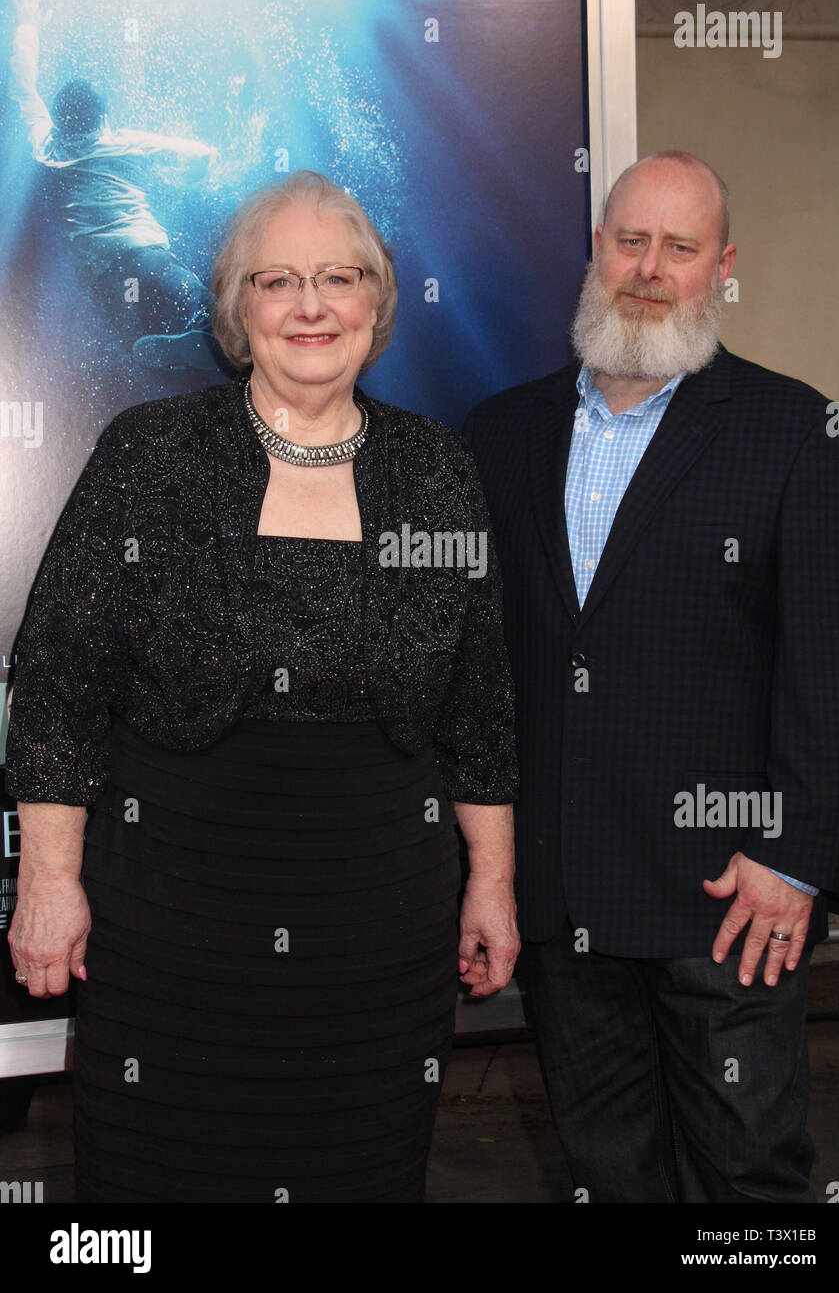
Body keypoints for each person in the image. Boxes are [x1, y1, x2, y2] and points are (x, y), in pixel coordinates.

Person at [4, 169, 520, 1203]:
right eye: (276, 280)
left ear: (377, 301)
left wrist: (492, 882)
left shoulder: (437, 472)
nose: (310, 305)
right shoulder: (149, 458)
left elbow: (479, 707)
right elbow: (58, 681)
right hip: (173, 922)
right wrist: (50, 884)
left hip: (376, 933)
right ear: (237, 308)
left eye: (338, 278)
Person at [464, 150, 839, 1203]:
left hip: (727, 902)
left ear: (720, 266)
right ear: (595, 249)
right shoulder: (499, 434)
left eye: (678, 248)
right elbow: (481, 673)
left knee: (749, 1180)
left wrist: (796, 857)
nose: (648, 267)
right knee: (606, 1172)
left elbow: (835, 666)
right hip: (563, 901)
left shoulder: (798, 431)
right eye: (628, 240)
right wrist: (491, 872)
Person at [9, 0, 221, 371]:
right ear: (104, 116)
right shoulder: (126, 143)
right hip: (145, 253)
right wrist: (185, 179)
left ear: (57, 118)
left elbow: (24, 87)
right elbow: (201, 155)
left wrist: (28, 24)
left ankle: (176, 358)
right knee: (193, 296)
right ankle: (208, 330)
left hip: (105, 275)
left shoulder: (47, 147)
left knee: (132, 342)